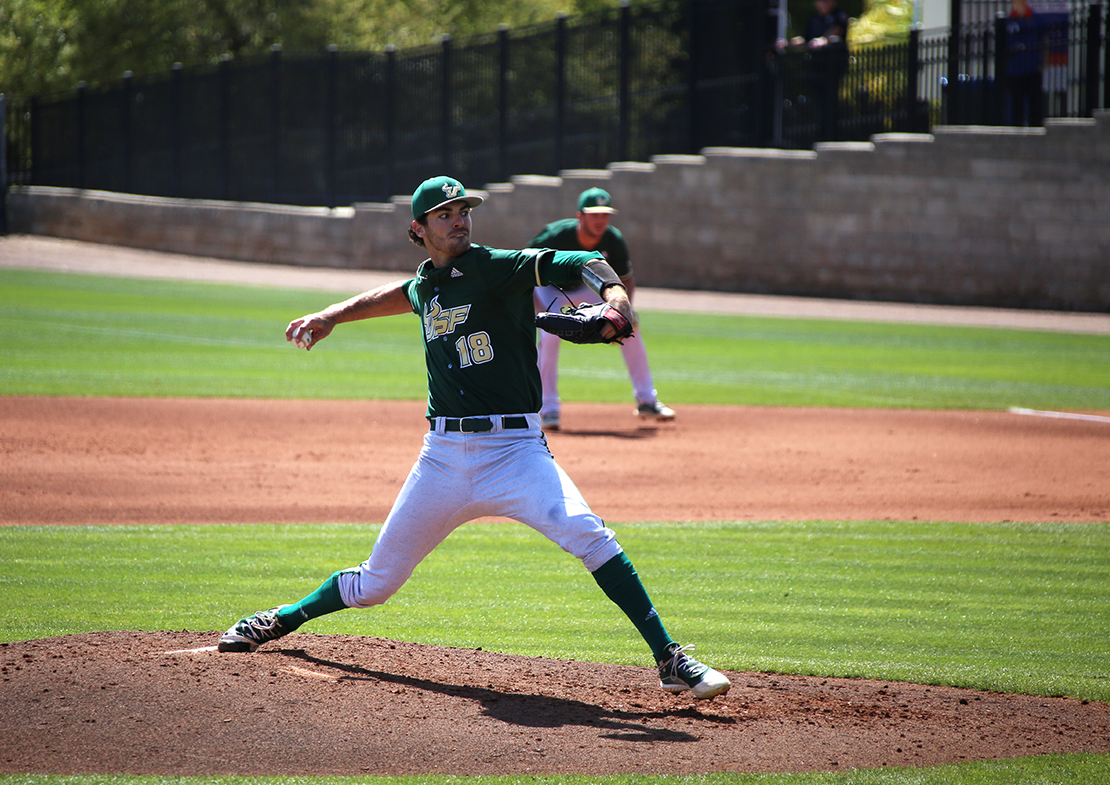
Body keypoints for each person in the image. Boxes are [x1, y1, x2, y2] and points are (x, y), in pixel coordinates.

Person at [216, 176, 731, 700]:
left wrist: (616, 299)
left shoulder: (497, 267)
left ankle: (670, 658)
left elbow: (577, 263)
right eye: (445, 214)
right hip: (442, 459)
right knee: (376, 584)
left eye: (463, 210)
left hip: (516, 452)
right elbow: (398, 294)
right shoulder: (425, 284)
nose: (459, 219)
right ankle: (281, 619)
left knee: (590, 536)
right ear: (418, 229)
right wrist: (331, 316)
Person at [528, 187, 675, 431]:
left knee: (630, 329)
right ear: (580, 217)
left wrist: (624, 314)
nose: (600, 220)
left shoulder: (613, 240)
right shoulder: (554, 236)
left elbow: (624, 280)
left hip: (587, 288)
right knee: (550, 334)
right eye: (594, 214)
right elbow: (524, 271)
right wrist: (543, 313)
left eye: (605, 215)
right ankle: (549, 409)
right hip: (551, 289)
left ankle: (647, 400)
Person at [775, 0, 850, 141]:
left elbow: (835, 32)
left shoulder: (839, 16)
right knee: (818, 104)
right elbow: (805, 39)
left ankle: (831, 136)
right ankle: (819, 136)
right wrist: (788, 44)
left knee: (830, 103)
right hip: (816, 68)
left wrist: (823, 41)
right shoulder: (814, 19)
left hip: (833, 67)